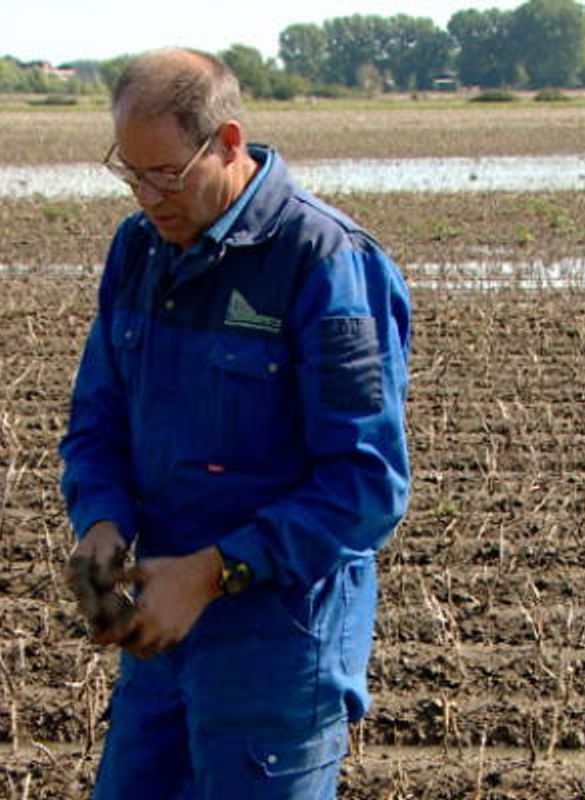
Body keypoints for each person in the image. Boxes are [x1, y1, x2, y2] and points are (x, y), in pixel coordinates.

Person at [59, 47, 411, 799]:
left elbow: (366, 485)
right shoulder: (139, 251)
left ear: (227, 142)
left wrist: (212, 574)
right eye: (131, 171)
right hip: (161, 632)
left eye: (167, 175)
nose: (148, 196)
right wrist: (101, 521)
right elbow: (98, 418)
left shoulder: (323, 262)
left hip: (279, 644)